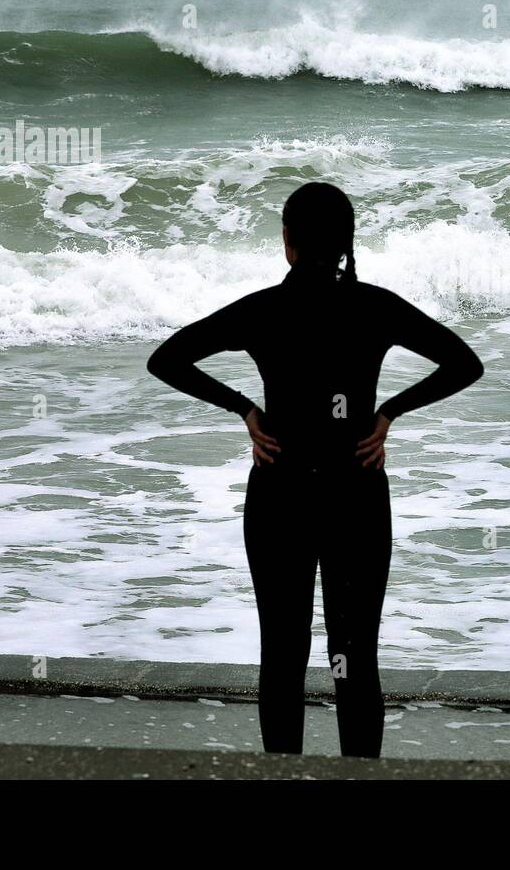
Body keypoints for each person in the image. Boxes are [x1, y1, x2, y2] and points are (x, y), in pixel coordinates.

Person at [146, 182, 483, 757]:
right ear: (348, 243)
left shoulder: (263, 310)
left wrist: (246, 411)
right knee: (354, 658)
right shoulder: (376, 306)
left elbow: (167, 359)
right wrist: (388, 413)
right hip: (355, 492)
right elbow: (464, 364)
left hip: (281, 491)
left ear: (288, 244)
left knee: (282, 653)